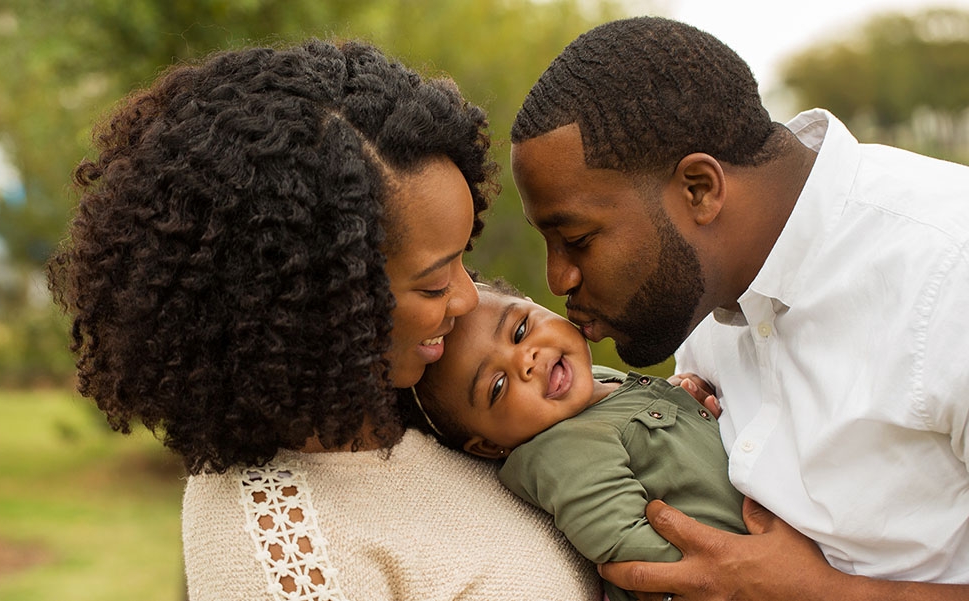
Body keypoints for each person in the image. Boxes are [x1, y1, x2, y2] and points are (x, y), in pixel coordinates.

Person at [48, 40, 600, 601]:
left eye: (464, 257)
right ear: (321, 303)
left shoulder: (446, 403)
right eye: (434, 283)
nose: (466, 298)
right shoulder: (279, 544)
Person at [509, 15, 969, 601]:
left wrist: (821, 593)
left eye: (576, 239)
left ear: (700, 189)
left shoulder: (950, 272)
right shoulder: (704, 290)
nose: (557, 278)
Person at [413, 279, 745, 601]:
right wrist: (745, 575)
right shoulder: (560, 451)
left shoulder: (593, 384)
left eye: (519, 331)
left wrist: (676, 401)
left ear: (532, 304)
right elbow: (631, 547)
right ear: (487, 445)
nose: (527, 361)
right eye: (498, 386)